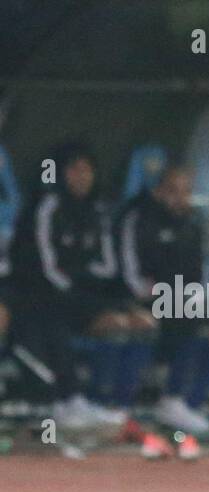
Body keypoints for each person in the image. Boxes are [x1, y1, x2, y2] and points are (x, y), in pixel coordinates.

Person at [10, 143, 156, 431]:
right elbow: (45, 266)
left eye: (87, 171)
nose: (82, 177)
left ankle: (112, 403)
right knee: (54, 315)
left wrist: (90, 286)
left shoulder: (97, 210)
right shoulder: (47, 206)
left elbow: (107, 266)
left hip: (84, 294)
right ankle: (67, 400)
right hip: (42, 293)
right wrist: (77, 284)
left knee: (140, 321)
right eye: (74, 171)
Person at [118, 163, 209, 448]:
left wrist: (198, 297)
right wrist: (162, 294)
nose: (180, 198)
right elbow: (129, 275)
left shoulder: (192, 222)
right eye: (173, 191)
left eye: (186, 192)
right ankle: (123, 406)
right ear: (159, 190)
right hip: (141, 299)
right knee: (178, 319)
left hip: (181, 302)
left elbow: (202, 270)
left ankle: (185, 403)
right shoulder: (137, 217)